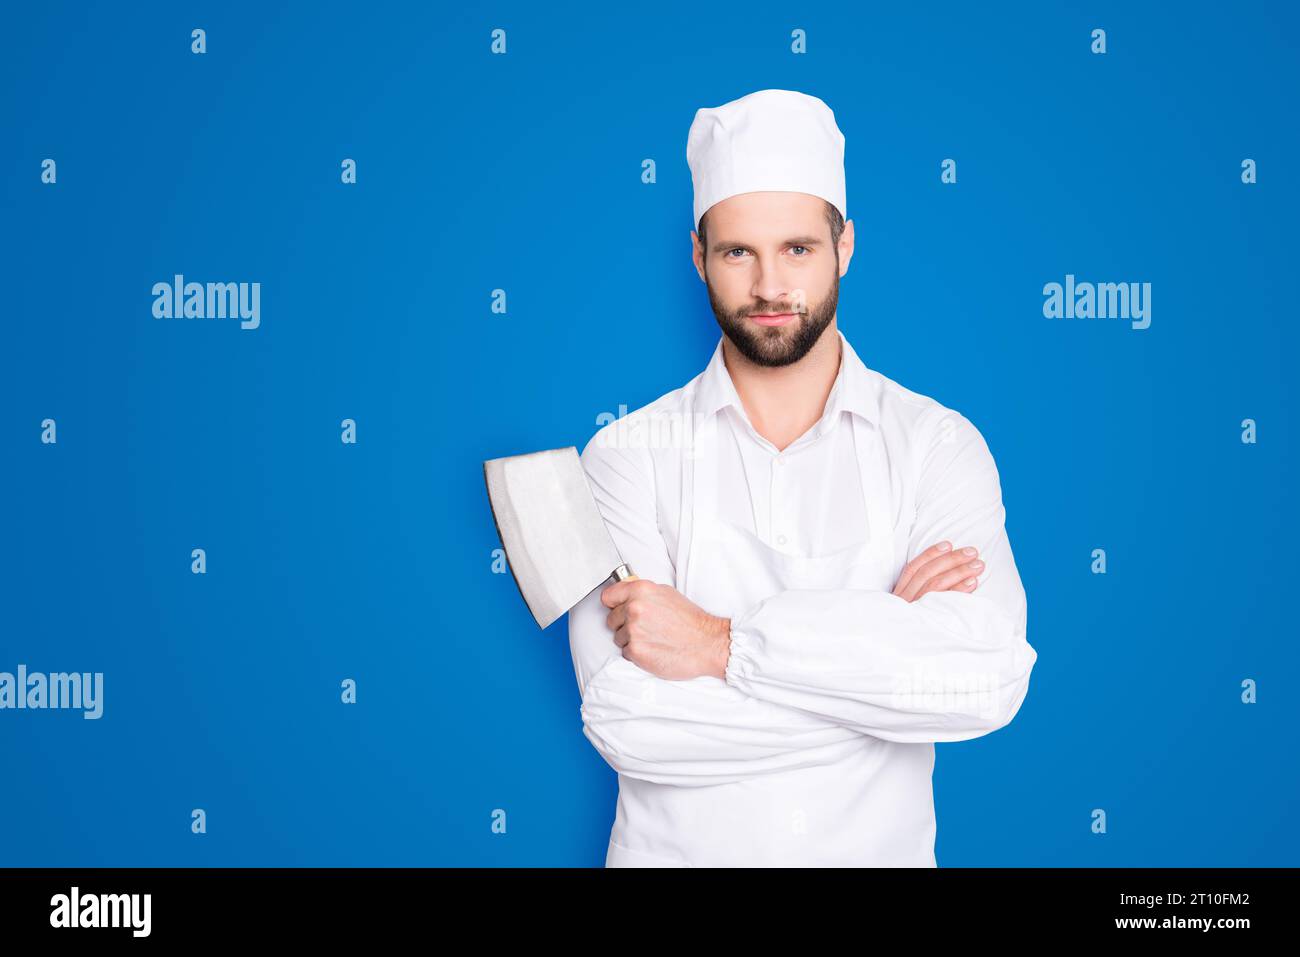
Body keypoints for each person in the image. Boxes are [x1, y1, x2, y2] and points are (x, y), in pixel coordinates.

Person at [567, 88, 1037, 867]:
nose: (769, 287)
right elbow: (629, 721)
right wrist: (882, 659)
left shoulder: (936, 444)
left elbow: (984, 681)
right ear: (698, 256)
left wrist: (719, 645)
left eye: (797, 249)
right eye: (737, 252)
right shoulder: (624, 454)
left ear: (844, 246)